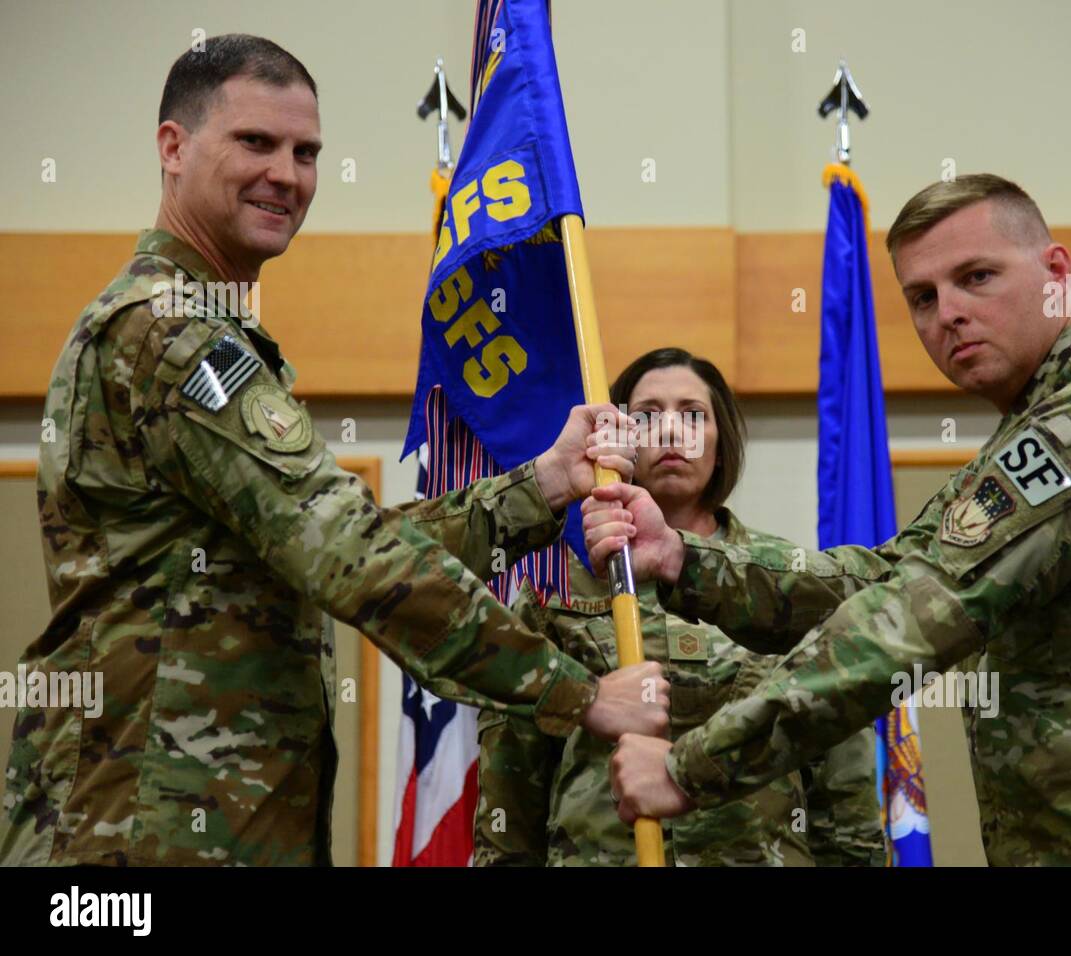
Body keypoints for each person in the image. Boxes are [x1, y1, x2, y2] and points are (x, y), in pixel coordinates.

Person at [0, 35, 668, 867]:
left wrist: (541, 486)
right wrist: (579, 697)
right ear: (173, 147)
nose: (287, 173)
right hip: (140, 835)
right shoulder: (170, 335)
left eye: (306, 152)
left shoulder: (206, 328)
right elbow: (349, 555)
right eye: (256, 143)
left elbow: (330, 538)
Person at [589, 174, 1071, 865]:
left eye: (977, 277)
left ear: (1055, 271)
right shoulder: (1033, 432)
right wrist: (686, 559)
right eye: (923, 297)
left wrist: (689, 768)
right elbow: (888, 578)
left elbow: (906, 622)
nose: (948, 313)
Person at [475, 349, 883, 866]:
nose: (671, 432)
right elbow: (510, 796)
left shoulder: (786, 584)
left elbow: (842, 780)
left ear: (721, 441)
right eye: (646, 416)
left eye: (693, 414)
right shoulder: (552, 587)